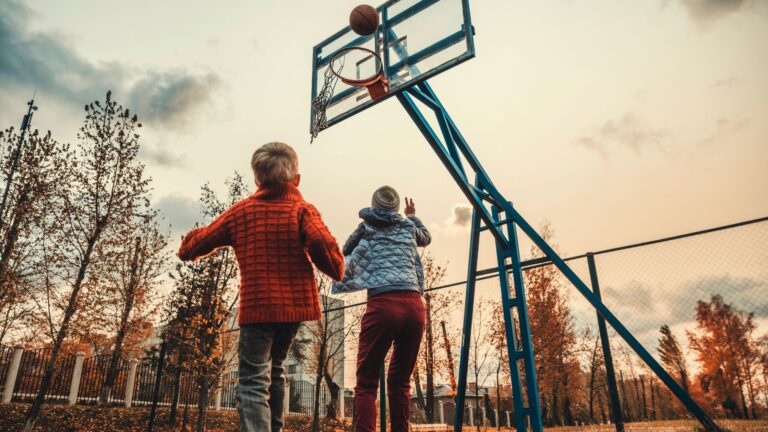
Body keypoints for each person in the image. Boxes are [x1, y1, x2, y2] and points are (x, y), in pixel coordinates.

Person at [177, 142, 344, 432]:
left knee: (253, 379)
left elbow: (199, 242)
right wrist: (334, 267)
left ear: (257, 180)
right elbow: (321, 243)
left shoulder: (241, 212)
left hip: (258, 308)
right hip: (293, 309)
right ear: (296, 179)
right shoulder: (302, 210)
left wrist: (187, 244)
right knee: (275, 369)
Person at [334, 186, 431, 432]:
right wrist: (412, 215)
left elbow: (345, 250)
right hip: (414, 306)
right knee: (400, 382)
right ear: (397, 207)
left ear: (374, 206)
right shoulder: (409, 226)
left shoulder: (366, 227)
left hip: (383, 304)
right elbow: (426, 238)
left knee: (366, 383)